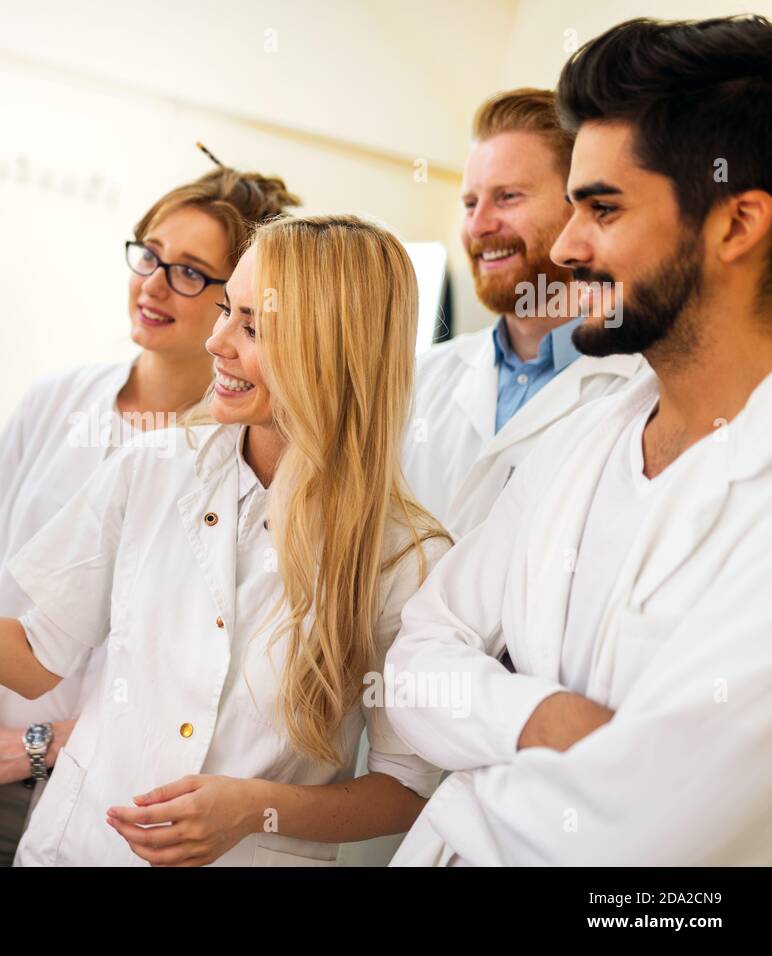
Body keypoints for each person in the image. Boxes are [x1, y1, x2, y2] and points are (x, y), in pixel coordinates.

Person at [0, 214, 450, 866]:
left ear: (332, 354)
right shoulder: (153, 469)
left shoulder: (404, 556)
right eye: (225, 311)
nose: (218, 341)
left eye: (253, 327)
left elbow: (405, 788)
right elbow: (32, 657)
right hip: (77, 850)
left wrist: (255, 807)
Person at [0, 163, 300, 865]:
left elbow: (194, 682)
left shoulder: (233, 461)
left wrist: (39, 746)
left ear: (244, 300)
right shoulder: (61, 398)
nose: (155, 284)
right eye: (150, 254)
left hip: (92, 783)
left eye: (192, 272)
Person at [386, 15, 772, 865]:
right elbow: (417, 654)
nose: (565, 247)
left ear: (736, 224)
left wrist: (466, 786)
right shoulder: (585, 430)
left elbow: (641, 833)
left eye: (602, 208)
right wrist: (535, 718)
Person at [404, 88, 644, 536]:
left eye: (508, 197)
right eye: (471, 203)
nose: (478, 225)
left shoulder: (641, 390)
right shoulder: (420, 380)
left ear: (579, 205)